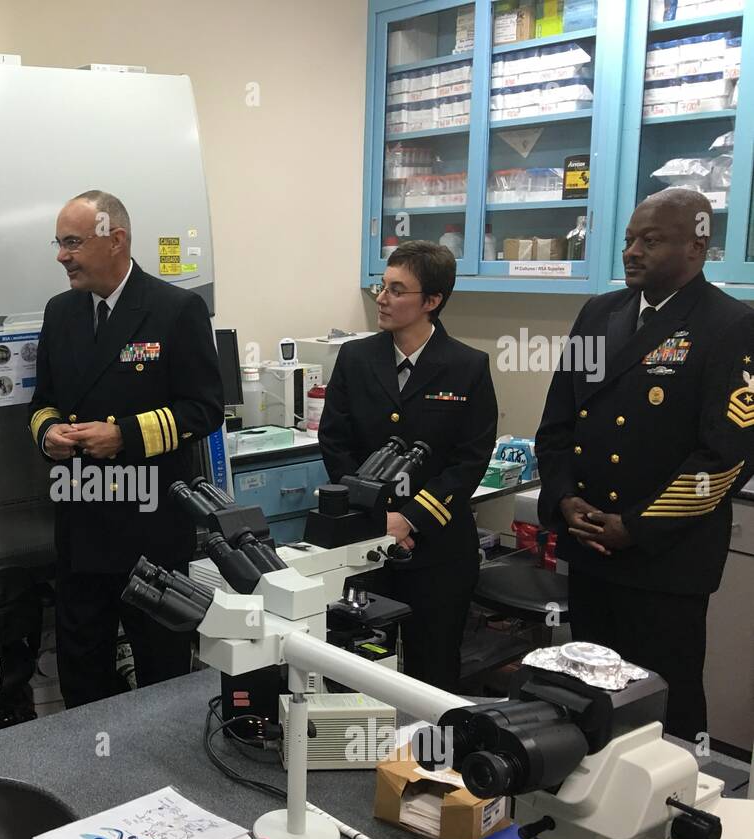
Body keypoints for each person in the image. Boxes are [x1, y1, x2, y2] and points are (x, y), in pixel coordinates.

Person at [535, 188, 754, 742]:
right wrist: (564, 498)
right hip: (590, 546)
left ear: (697, 246)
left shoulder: (731, 325)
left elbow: (727, 457)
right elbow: (558, 421)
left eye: (650, 241)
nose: (632, 251)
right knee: (591, 694)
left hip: (664, 557)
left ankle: (676, 812)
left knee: (665, 699)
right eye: (630, 239)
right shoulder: (599, 312)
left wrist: (637, 528)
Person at [28, 191, 223, 708]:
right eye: (59, 242)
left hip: (152, 527)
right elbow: (41, 402)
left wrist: (125, 436)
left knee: (162, 672)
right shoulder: (61, 312)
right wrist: (48, 436)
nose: (61, 256)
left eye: (72, 242)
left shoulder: (175, 309)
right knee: (83, 669)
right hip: (80, 521)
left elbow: (204, 410)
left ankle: (166, 782)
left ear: (115, 240)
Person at [318, 240, 497, 692]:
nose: (382, 297)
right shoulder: (356, 359)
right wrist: (375, 515)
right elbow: (335, 442)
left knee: (431, 672)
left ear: (432, 301)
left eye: (398, 290)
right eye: (383, 286)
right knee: (357, 664)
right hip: (364, 545)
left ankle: (428, 761)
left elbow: (469, 460)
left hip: (437, 550)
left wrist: (410, 519)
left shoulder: (467, 367)